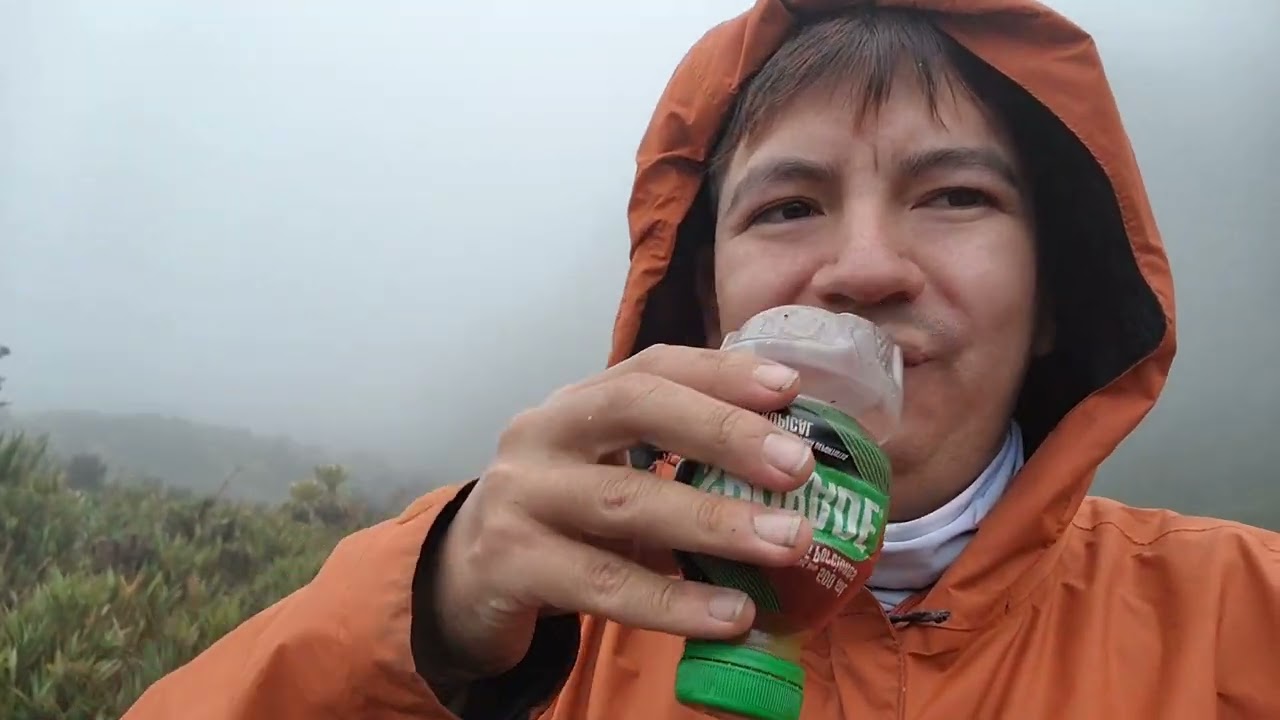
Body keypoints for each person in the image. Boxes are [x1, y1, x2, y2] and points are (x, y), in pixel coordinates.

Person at [123, 1, 1280, 718]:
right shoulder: (525, 618)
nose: (863, 268)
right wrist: (424, 635)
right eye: (786, 208)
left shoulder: (1241, 620)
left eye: (954, 194)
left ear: (1048, 301)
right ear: (705, 300)